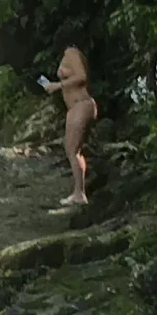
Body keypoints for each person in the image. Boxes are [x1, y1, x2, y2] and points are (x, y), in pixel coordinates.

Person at [43, 44, 97, 205]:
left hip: (80, 105)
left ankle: (79, 193)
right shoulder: (71, 55)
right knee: (75, 151)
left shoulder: (71, 52)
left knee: (72, 151)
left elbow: (82, 77)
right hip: (79, 106)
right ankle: (79, 192)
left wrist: (57, 85)